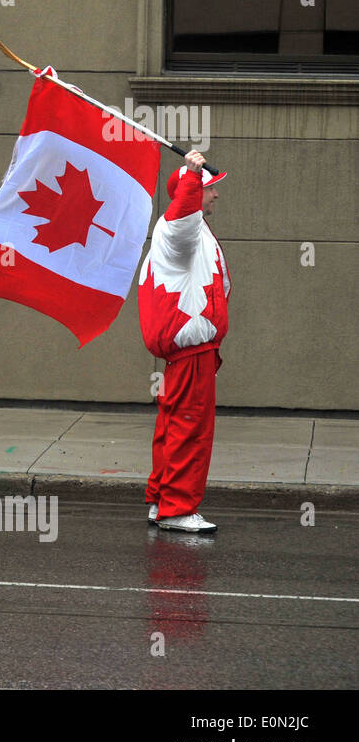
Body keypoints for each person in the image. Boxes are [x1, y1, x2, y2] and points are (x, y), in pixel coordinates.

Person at [138, 150, 229, 533]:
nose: (216, 195)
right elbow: (180, 225)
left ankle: (163, 501)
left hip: (190, 351)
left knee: (173, 426)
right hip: (192, 351)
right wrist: (193, 177)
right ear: (192, 193)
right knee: (191, 428)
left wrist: (194, 182)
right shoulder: (179, 229)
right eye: (211, 189)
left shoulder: (192, 231)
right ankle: (177, 508)